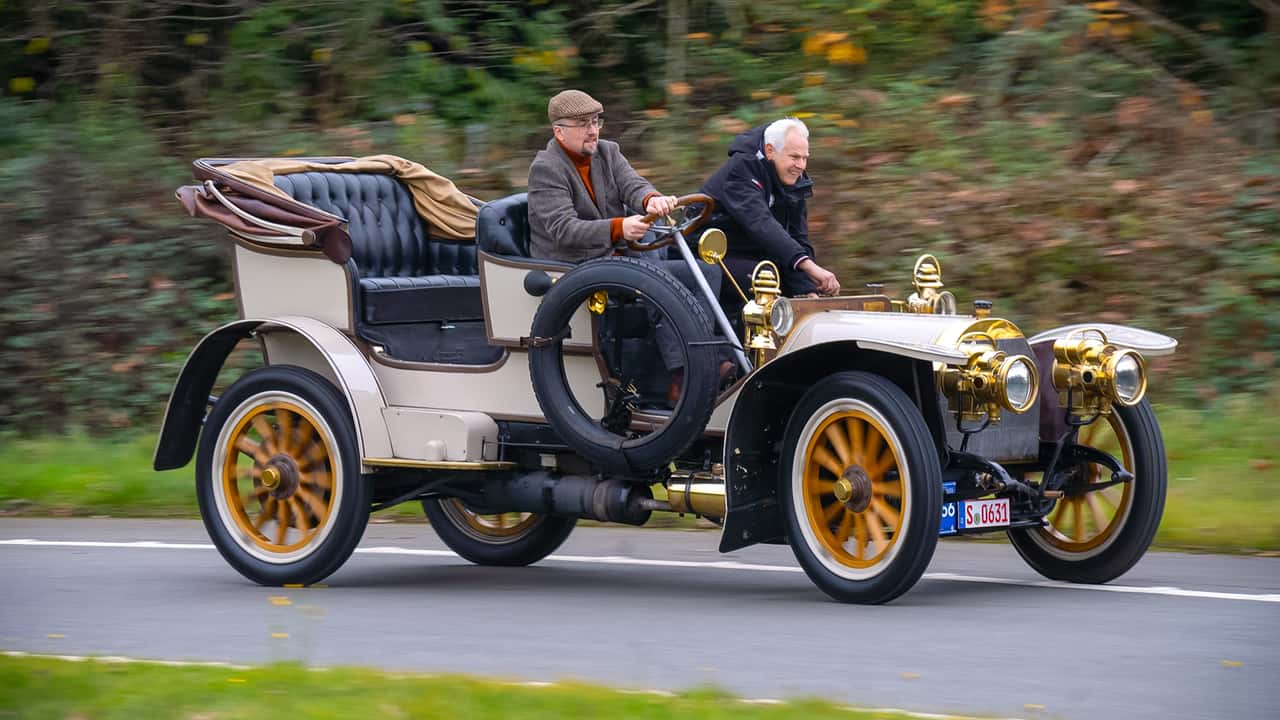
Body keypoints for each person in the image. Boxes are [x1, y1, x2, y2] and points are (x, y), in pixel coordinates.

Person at [527, 89, 729, 405]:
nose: (593, 131)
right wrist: (620, 228)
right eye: (583, 124)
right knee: (654, 271)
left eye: (595, 121)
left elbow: (633, 185)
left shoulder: (608, 152)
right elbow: (563, 230)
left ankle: (683, 373)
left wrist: (652, 200)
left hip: (615, 259)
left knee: (706, 272)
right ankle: (693, 369)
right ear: (559, 131)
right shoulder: (546, 169)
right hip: (571, 269)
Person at [699, 117, 840, 300]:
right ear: (770, 150)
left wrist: (809, 289)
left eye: (805, 158)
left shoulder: (796, 180)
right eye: (794, 157)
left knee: (808, 288)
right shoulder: (741, 170)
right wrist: (810, 267)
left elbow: (798, 237)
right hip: (709, 254)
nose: (801, 166)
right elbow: (761, 223)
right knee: (764, 281)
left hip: (758, 254)